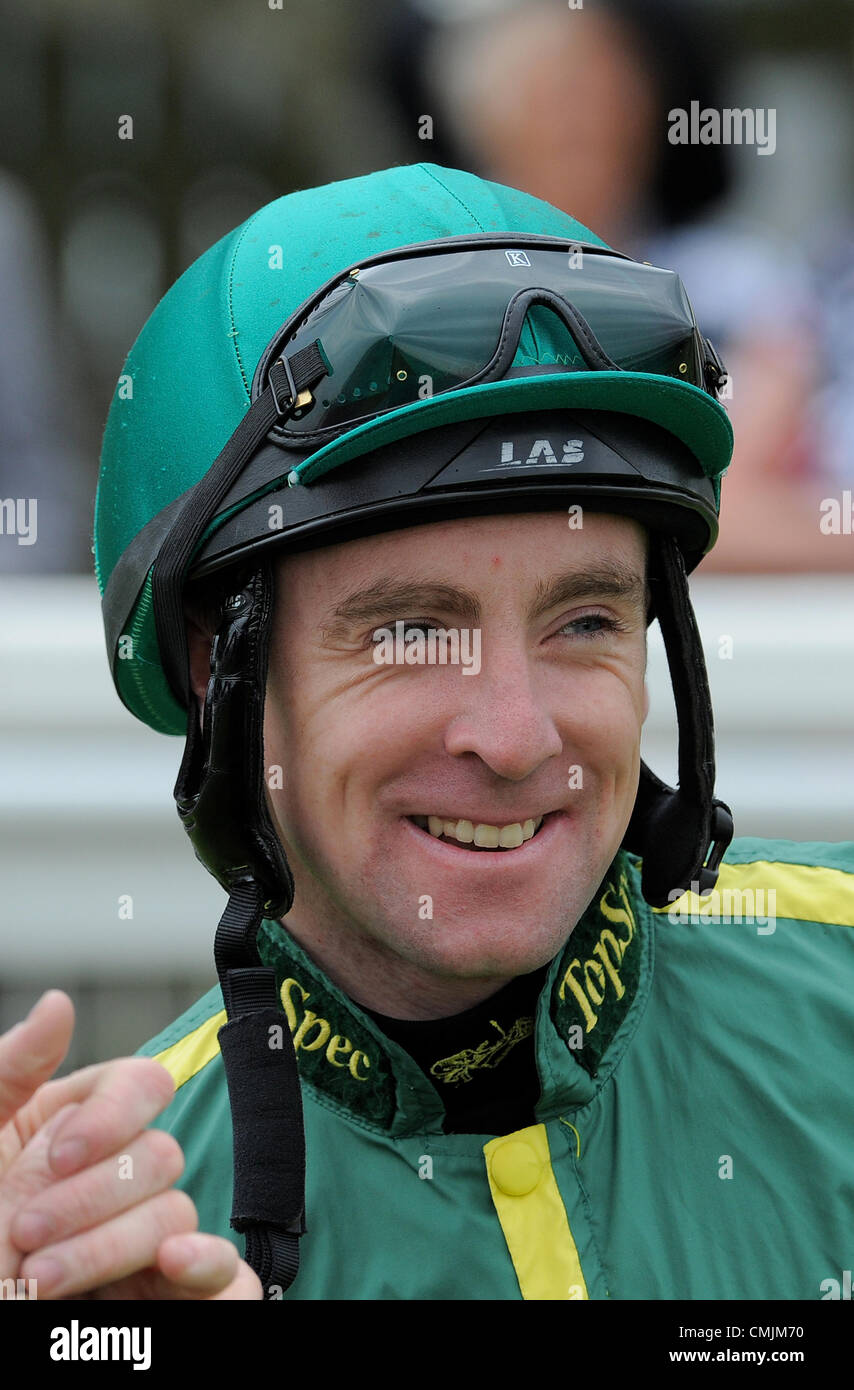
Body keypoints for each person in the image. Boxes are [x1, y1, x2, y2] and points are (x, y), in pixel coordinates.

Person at [3, 163, 853, 1302]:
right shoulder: (111, 1234)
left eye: (585, 619)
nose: (512, 736)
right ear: (222, 671)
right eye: (409, 629)